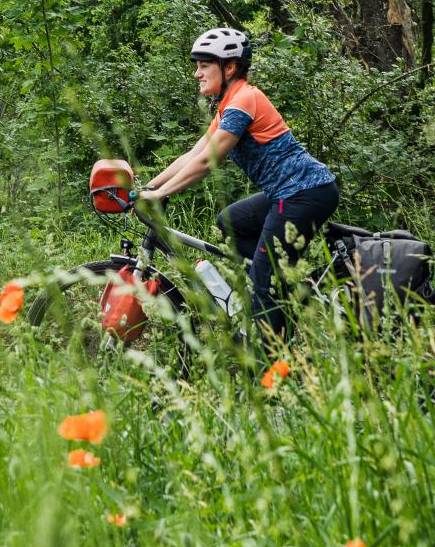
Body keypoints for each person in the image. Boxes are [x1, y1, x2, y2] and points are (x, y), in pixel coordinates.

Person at [139, 27, 339, 340]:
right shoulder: (229, 106)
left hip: (304, 193)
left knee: (262, 282)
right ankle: (283, 288)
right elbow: (193, 154)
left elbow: (208, 162)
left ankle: (270, 356)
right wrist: (149, 188)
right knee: (229, 223)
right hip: (287, 193)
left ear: (230, 67)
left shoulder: (244, 99)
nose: (197, 74)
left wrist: (163, 193)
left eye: (205, 65)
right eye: (197, 66)